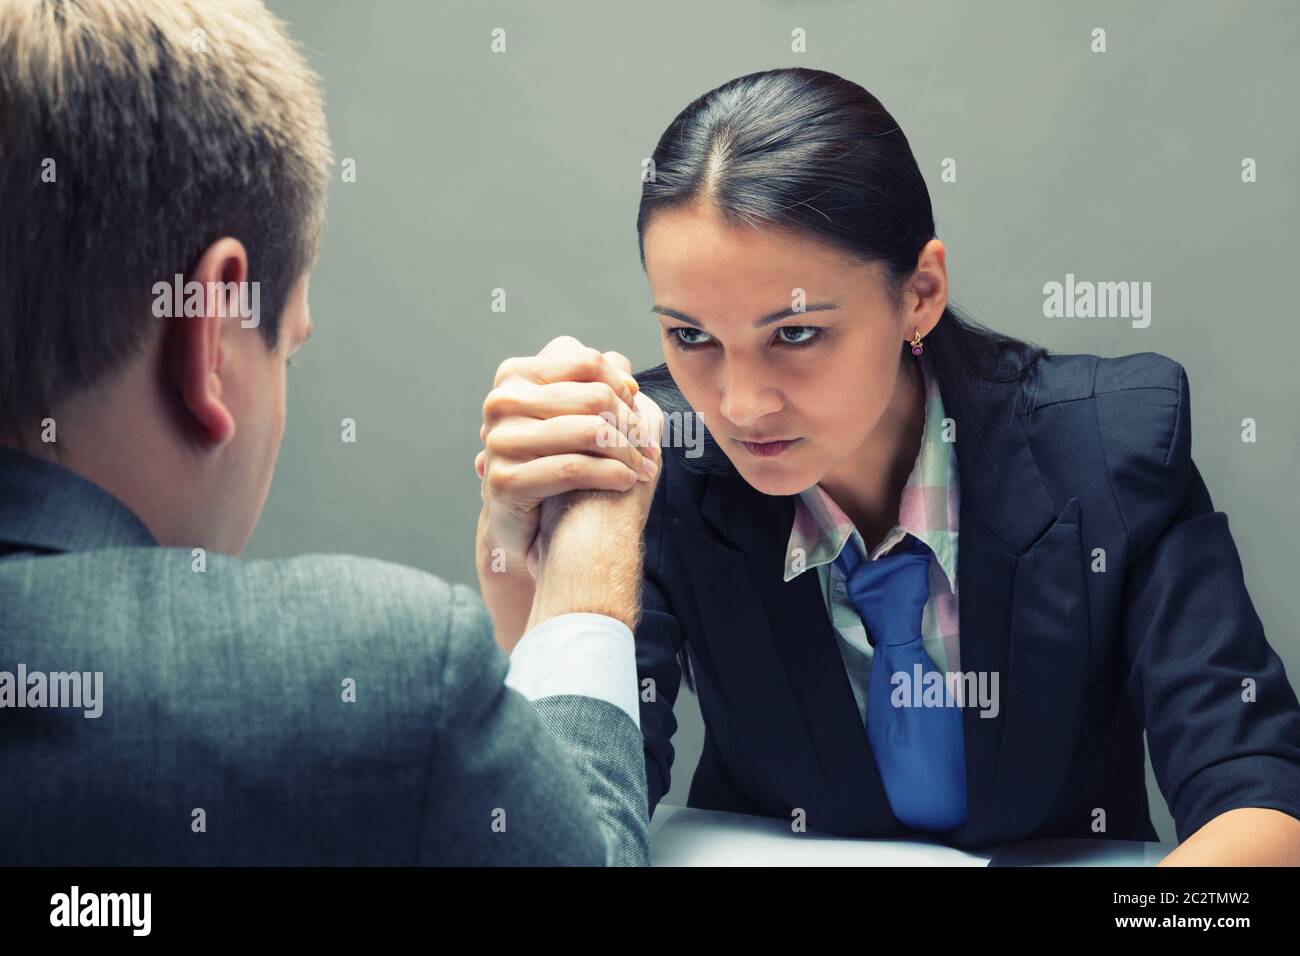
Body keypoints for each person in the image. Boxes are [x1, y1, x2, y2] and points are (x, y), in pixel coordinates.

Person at [477, 67, 1300, 864]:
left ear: (921, 293)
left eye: (795, 333)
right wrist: (516, 563)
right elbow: (576, 820)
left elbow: (1265, 804)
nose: (739, 405)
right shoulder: (658, 464)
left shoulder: (1110, 448)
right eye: (691, 336)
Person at [0, 0, 661, 866]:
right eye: (292, 353)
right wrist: (581, 591)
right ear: (212, 329)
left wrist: (518, 606)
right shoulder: (382, 682)